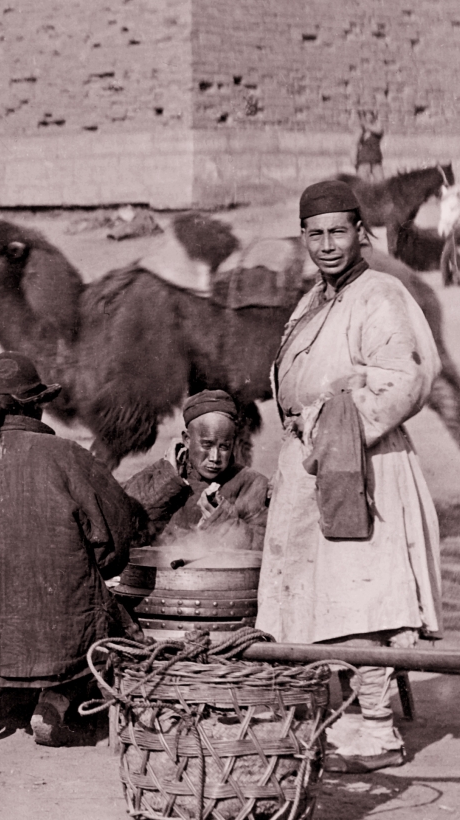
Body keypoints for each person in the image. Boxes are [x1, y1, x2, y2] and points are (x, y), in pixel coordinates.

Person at [258, 179, 443, 773]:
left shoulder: (378, 293)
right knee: (320, 596)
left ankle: (378, 727)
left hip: (360, 459)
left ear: (361, 233)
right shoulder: (315, 297)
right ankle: (339, 719)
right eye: (316, 234)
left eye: (339, 231)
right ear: (304, 238)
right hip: (312, 458)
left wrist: (336, 415)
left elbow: (404, 380)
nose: (328, 244)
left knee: (363, 598)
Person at [0, 351, 138, 746]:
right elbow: (113, 545)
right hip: (58, 631)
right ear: (39, 406)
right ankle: (57, 700)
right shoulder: (71, 457)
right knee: (110, 621)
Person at [122, 390, 270, 549]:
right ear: (187, 440)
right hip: (157, 572)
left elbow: (268, 546)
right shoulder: (162, 472)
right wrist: (168, 480)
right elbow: (118, 518)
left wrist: (224, 521)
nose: (215, 457)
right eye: (207, 445)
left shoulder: (251, 484)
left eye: (224, 447)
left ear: (233, 443)